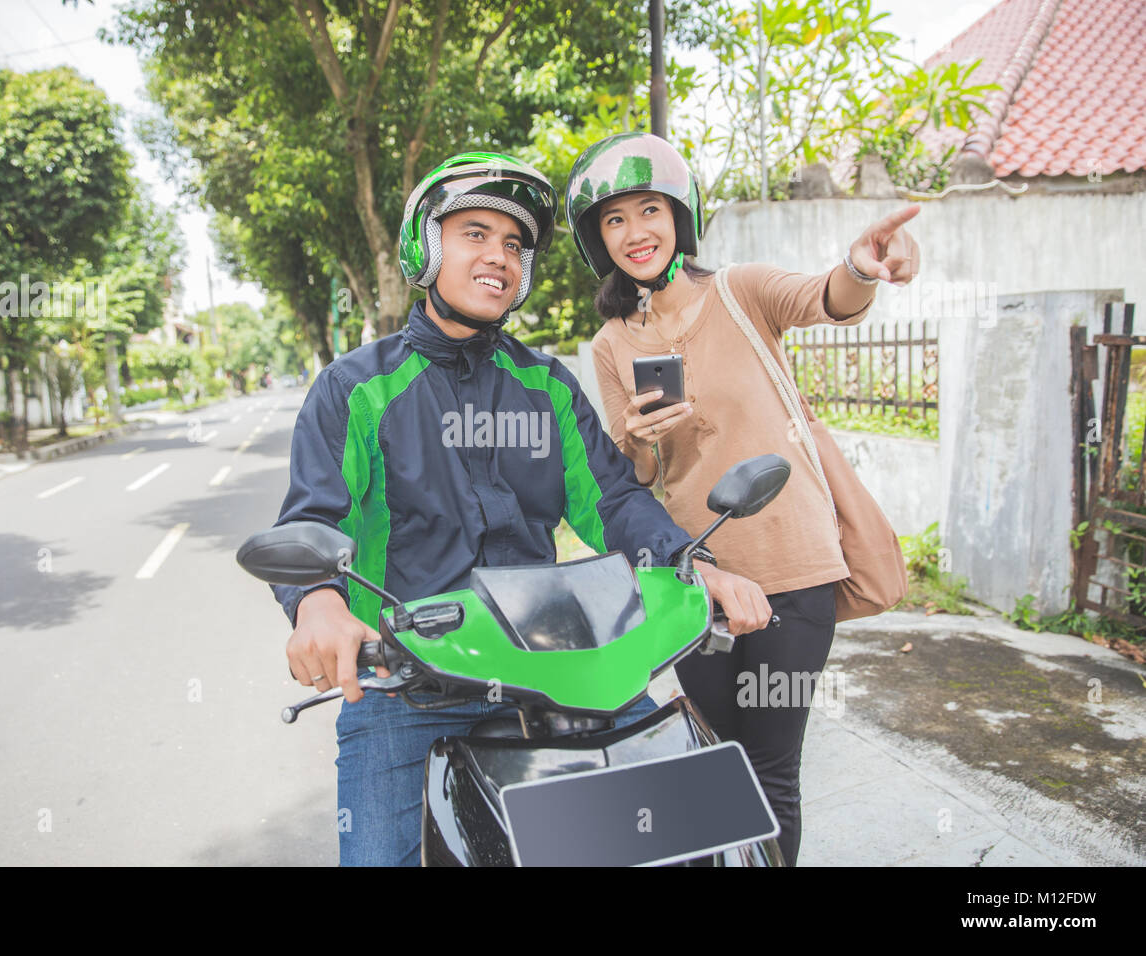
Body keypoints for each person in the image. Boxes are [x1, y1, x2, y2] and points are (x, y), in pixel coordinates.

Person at [267, 151, 772, 866]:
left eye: (514, 245)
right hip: (408, 685)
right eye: (475, 234)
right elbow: (310, 524)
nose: (498, 257)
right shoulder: (354, 389)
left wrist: (697, 567)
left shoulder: (547, 387)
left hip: (558, 670)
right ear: (426, 246)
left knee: (696, 838)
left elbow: (614, 499)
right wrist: (316, 601)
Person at [568, 131, 920, 866]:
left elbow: (826, 297)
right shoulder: (610, 344)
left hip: (793, 572)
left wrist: (862, 267)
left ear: (679, 218)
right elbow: (627, 481)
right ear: (599, 240)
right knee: (709, 760)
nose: (636, 232)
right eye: (615, 220)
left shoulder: (741, 290)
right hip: (693, 583)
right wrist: (633, 433)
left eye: (648, 211)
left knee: (770, 767)